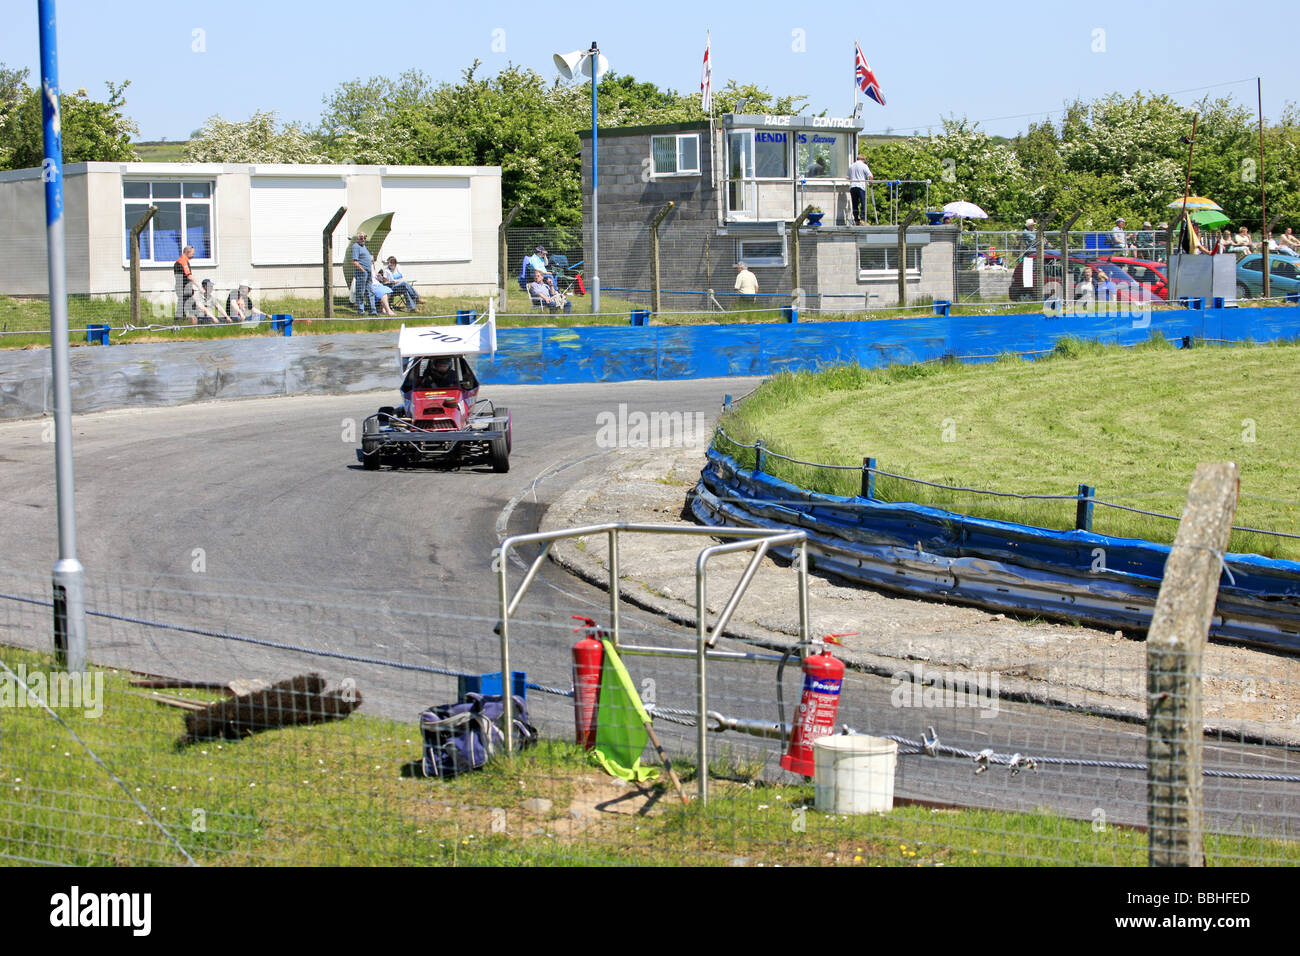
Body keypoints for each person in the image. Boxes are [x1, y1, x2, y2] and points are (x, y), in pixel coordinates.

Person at [173, 245, 201, 324]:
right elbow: (189, 276)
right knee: (192, 307)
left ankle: (178, 324)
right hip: (183, 289)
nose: (193, 255)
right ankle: (194, 326)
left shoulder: (181, 261)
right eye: (192, 253)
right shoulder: (183, 261)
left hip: (182, 288)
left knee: (182, 308)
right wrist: (199, 287)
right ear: (187, 252)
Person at [350, 231, 374, 315]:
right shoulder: (356, 247)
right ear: (357, 239)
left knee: (370, 291)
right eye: (361, 238)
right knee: (360, 292)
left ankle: (373, 310)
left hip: (369, 272)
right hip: (362, 273)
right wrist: (363, 270)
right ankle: (361, 311)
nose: (363, 239)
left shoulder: (364, 247)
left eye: (365, 237)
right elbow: (355, 262)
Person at [847, 153, 872, 225]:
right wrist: (870, 183)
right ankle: (863, 219)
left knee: (855, 204)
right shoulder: (864, 166)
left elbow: (848, 177)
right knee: (863, 203)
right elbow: (870, 176)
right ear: (863, 159)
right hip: (861, 186)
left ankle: (856, 220)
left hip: (853, 186)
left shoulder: (851, 166)